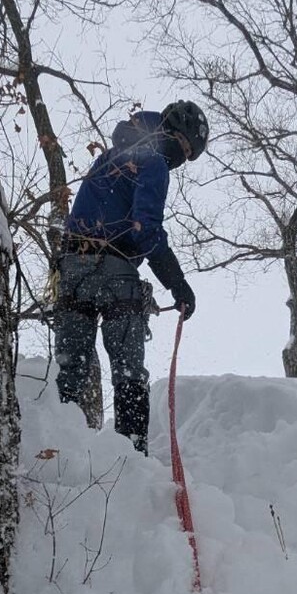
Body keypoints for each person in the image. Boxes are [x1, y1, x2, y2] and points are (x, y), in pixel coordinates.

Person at [54, 100, 209, 454]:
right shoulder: (155, 161)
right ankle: (131, 453)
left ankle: (56, 452)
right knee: (128, 369)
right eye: (184, 149)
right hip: (116, 268)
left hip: (73, 266)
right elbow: (145, 229)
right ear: (172, 133)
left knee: (69, 369)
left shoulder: (111, 155)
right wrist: (178, 284)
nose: (180, 158)